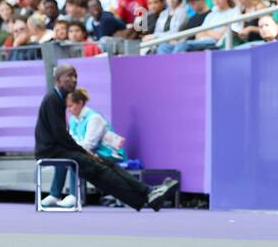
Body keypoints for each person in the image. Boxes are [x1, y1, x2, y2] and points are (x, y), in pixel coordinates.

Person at [34, 64, 176, 211]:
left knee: (106, 163)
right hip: (51, 150)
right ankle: (147, 196)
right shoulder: (53, 99)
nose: (74, 80)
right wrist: (83, 151)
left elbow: (62, 136)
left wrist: (84, 151)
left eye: (75, 76)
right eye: (69, 76)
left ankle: (148, 193)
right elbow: (60, 135)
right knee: (97, 167)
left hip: (61, 148)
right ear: (58, 80)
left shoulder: (65, 103)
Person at [41, 85, 126, 207]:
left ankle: (74, 196)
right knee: (63, 157)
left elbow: (89, 145)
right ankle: (55, 195)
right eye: (67, 107)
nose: (69, 110)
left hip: (109, 154)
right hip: (89, 152)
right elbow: (69, 141)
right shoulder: (73, 120)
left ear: (80, 103)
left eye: (71, 106)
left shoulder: (94, 118)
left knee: (74, 157)